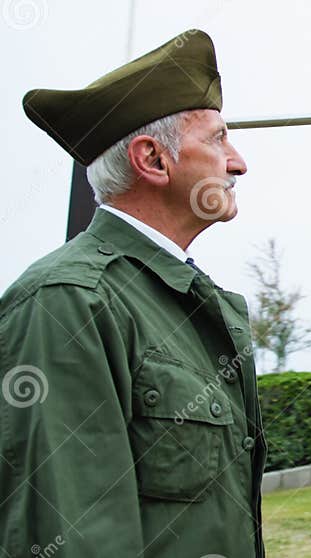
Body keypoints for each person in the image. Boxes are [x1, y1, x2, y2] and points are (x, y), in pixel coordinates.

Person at [0, 29, 266, 557]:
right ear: (154, 160)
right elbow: (75, 538)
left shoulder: (187, 299)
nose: (237, 164)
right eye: (216, 139)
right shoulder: (68, 301)